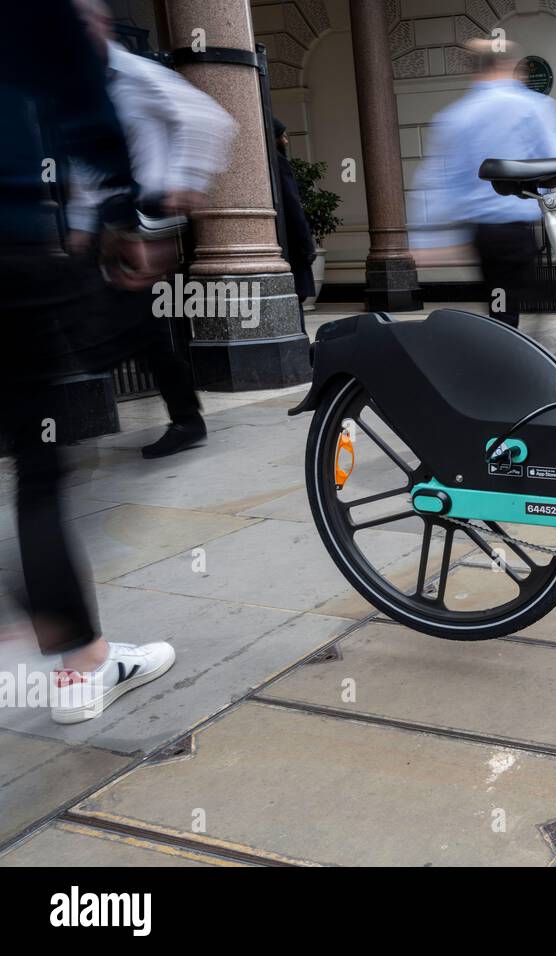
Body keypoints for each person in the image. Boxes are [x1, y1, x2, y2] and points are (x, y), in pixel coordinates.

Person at [2, 0, 178, 723]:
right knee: (42, 469)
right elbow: (83, 105)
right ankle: (81, 664)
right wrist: (128, 219)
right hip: (15, 250)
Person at [67, 0, 236, 460]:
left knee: (132, 322)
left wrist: (185, 181)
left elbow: (209, 118)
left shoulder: (139, 75)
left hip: (146, 211)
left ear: (102, 25)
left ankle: (184, 417)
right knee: (143, 327)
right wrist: (82, 224)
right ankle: (186, 418)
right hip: (110, 218)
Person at [413, 39, 556, 328]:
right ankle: (526, 353)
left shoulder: (456, 116)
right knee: (527, 304)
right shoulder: (533, 106)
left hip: (483, 233)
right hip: (518, 226)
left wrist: (429, 241)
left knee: (501, 303)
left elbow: (439, 179)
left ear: (474, 70)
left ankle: (512, 342)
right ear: (506, 66)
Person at [273, 118, 317, 308]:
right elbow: (293, 206)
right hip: (290, 248)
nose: (286, 141)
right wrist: (308, 246)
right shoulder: (279, 162)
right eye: (282, 136)